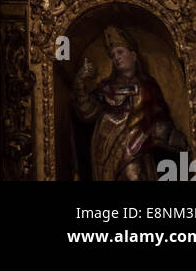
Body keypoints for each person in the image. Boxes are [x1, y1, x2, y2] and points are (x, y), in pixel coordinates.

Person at [72, 25, 187, 180]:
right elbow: (88, 112)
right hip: (107, 150)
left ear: (133, 55)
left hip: (138, 148)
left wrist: (170, 135)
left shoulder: (148, 86)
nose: (116, 58)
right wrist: (80, 82)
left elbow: (158, 115)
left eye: (120, 52)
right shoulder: (106, 87)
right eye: (112, 55)